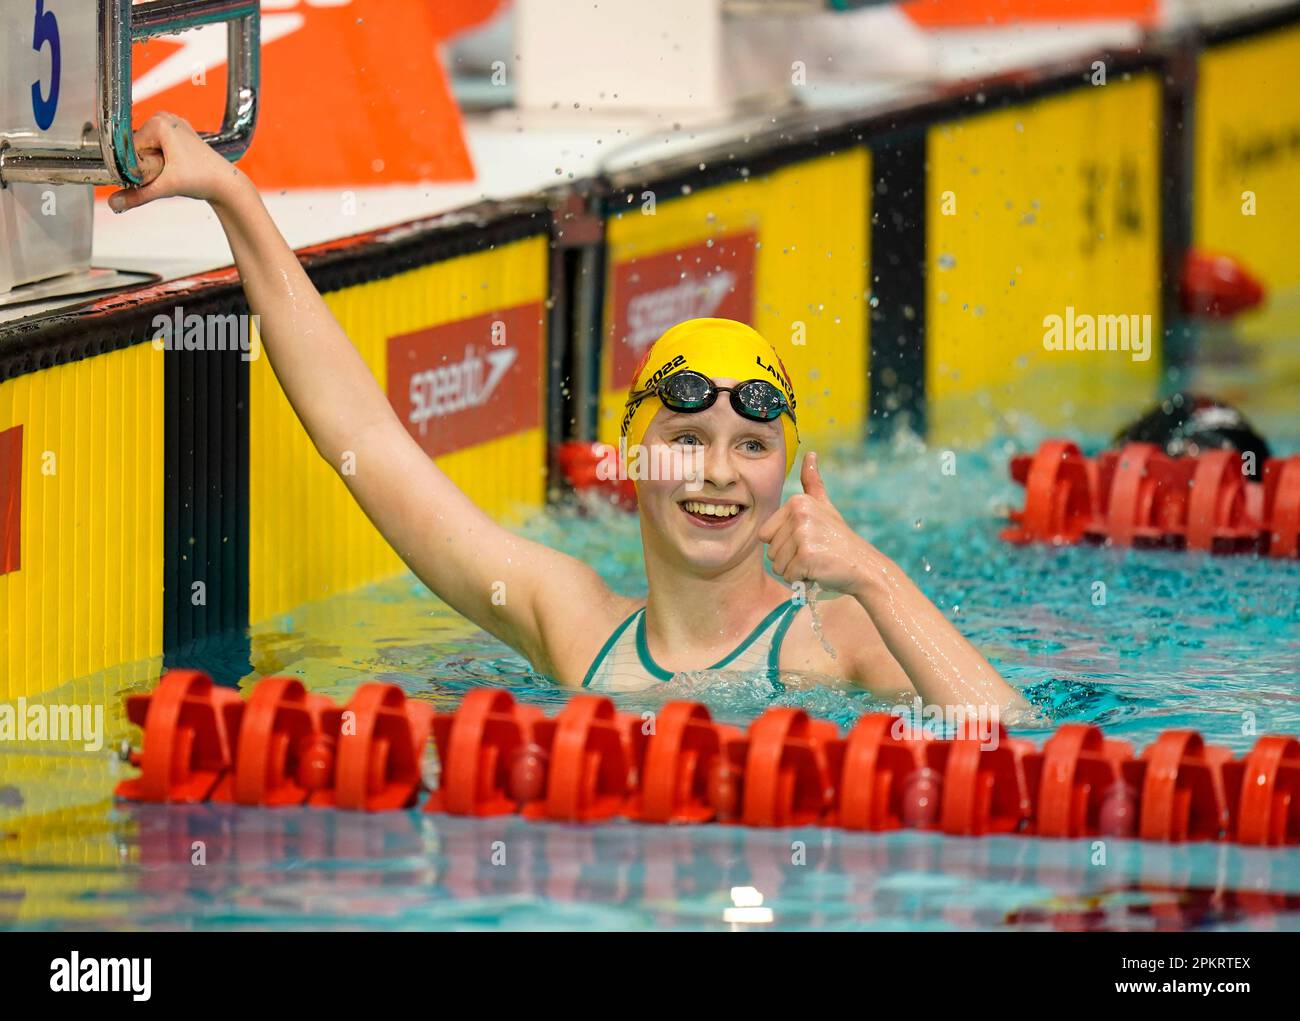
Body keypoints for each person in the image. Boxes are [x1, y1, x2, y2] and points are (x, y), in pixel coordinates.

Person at [110, 113, 1028, 716]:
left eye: (752, 445)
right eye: (686, 440)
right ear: (631, 460)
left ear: (784, 470)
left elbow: (1007, 737)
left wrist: (869, 570)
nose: (718, 471)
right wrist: (232, 193)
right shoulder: (574, 625)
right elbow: (366, 441)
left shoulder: (835, 634)